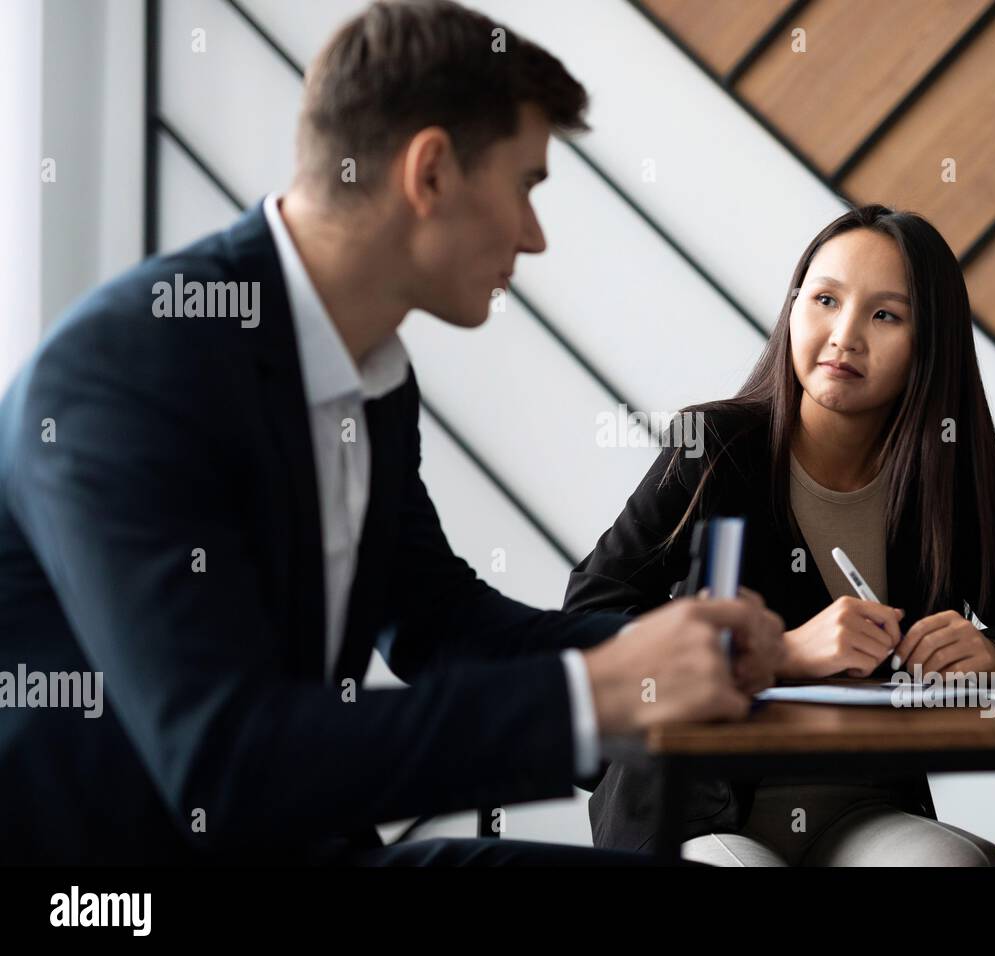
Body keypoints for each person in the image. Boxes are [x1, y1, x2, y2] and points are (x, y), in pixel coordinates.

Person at [0, 0, 783, 865]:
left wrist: (662, 652)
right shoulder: (126, 372)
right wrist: (591, 698)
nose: (536, 235)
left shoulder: (373, 374)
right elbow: (223, 763)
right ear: (433, 172)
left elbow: (438, 625)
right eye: (526, 185)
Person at [564, 204, 995, 865]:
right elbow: (590, 616)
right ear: (794, 309)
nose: (844, 335)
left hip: (862, 810)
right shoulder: (712, 449)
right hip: (694, 811)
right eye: (825, 299)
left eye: (886, 315)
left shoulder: (941, 479)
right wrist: (780, 655)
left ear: (928, 343)